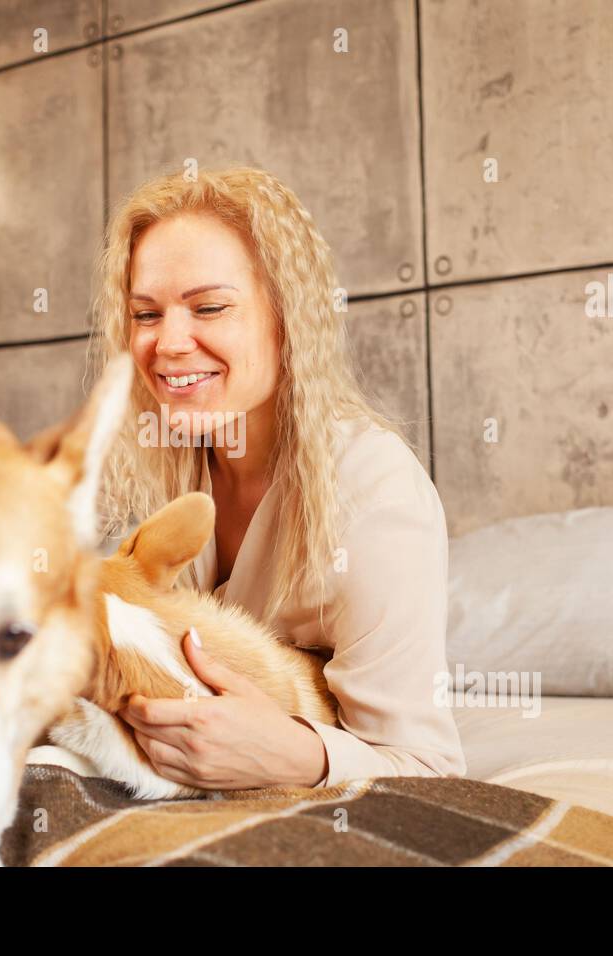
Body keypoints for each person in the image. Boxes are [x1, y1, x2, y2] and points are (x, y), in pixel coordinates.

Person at [87, 166, 466, 790]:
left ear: (288, 318)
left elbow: (428, 769)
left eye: (209, 307)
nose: (168, 343)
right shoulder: (167, 464)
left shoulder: (375, 490)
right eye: (145, 314)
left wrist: (296, 755)